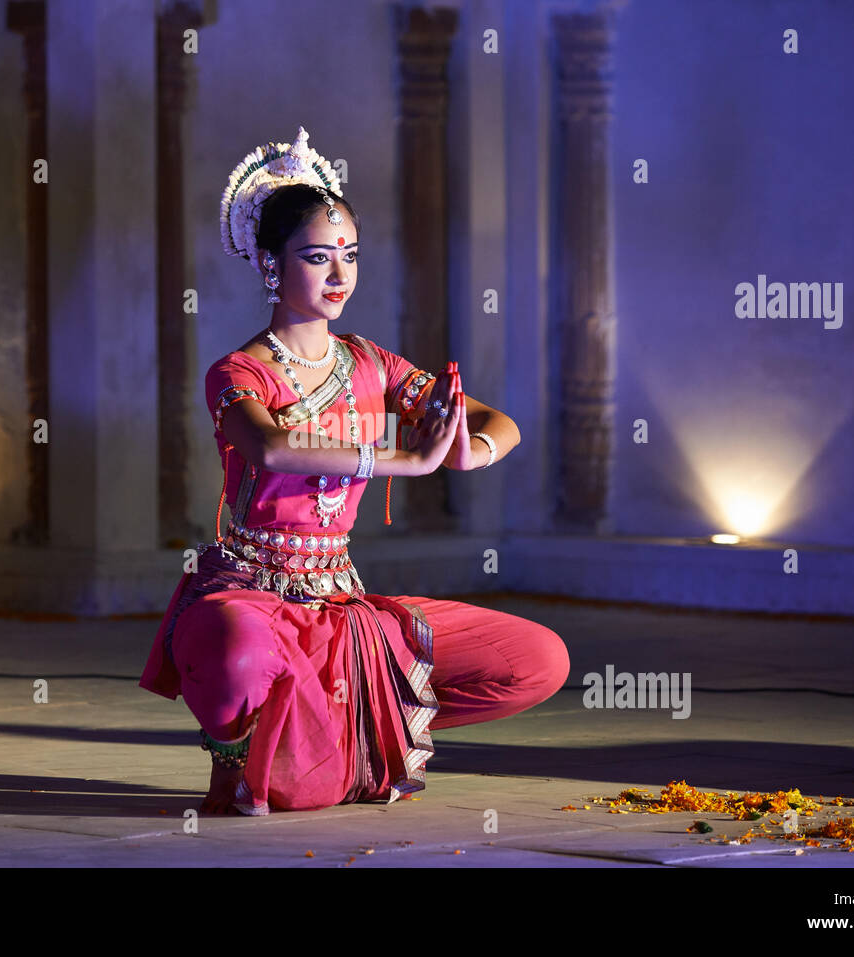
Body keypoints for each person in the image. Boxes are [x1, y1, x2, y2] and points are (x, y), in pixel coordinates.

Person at [139, 127, 568, 815]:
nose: (340, 275)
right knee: (233, 645)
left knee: (538, 658)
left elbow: (497, 423)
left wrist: (465, 450)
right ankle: (242, 745)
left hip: (343, 608)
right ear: (270, 264)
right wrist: (403, 459)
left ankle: (355, 720)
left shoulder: (371, 362)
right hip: (254, 594)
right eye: (317, 257)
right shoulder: (239, 371)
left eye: (350, 256)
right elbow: (272, 449)